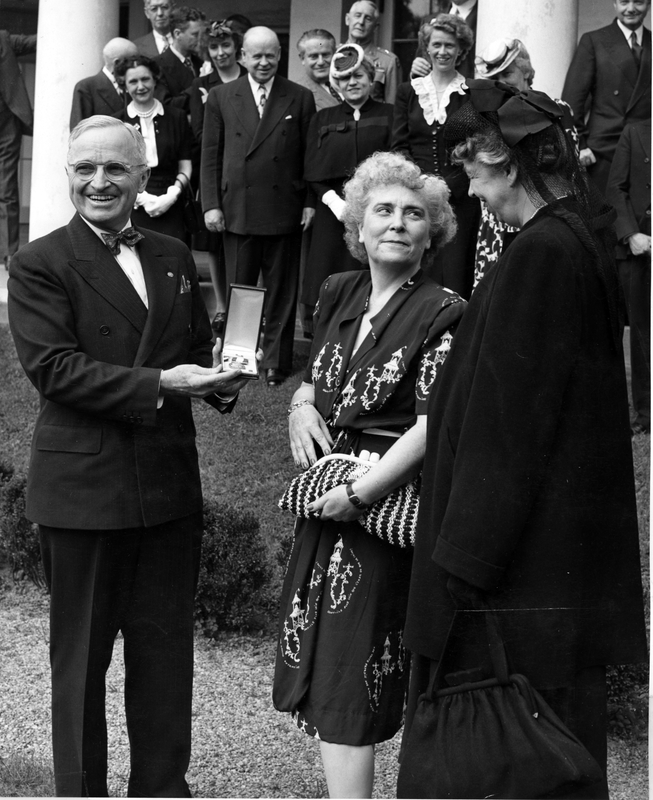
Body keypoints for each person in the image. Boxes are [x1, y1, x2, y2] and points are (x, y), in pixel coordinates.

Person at [401, 81, 648, 799]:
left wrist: (458, 570)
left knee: (498, 761)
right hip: (552, 567)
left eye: (474, 174)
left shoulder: (540, 254)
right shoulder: (579, 240)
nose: (473, 193)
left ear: (503, 161)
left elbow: (510, 433)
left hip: (505, 579)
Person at [7, 115, 253, 798]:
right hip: (85, 490)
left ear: (142, 178)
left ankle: (161, 789)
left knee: (164, 657)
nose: (99, 181)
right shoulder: (38, 262)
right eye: (84, 168)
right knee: (81, 666)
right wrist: (162, 384)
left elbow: (193, 350)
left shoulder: (174, 254)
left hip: (168, 488)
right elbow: (56, 371)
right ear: (67, 175)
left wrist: (223, 379)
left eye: (115, 168)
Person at [273, 150, 465, 799]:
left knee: (352, 675)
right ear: (358, 222)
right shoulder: (340, 292)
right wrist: (300, 404)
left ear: (432, 231)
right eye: (383, 209)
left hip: (381, 515)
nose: (398, 223)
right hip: (324, 508)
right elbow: (314, 377)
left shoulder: (444, 309)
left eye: (415, 214)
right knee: (327, 668)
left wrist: (360, 494)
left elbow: (433, 423)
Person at [201, 26, 316, 387]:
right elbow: (210, 155)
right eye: (256, 55)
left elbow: (308, 156)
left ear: (280, 56)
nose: (264, 62)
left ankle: (275, 363)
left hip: (284, 205)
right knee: (241, 288)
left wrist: (310, 202)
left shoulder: (299, 96)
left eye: (271, 55)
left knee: (282, 290)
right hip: (237, 207)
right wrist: (211, 205)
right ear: (242, 57)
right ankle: (240, 356)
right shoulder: (221, 96)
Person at [471, 37, 578, 289]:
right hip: (495, 221)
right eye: (494, 77)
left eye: (508, 73)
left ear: (527, 72)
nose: (502, 82)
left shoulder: (556, 110)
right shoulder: (482, 116)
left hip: (541, 216)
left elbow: (569, 171)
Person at [301, 44, 394, 331]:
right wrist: (334, 202)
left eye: (359, 76)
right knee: (330, 274)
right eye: (344, 79)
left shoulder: (390, 114)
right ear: (335, 84)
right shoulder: (323, 119)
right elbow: (312, 170)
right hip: (334, 215)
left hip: (379, 210)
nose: (352, 83)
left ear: (370, 78)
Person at [392, 13, 480, 299]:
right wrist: (421, 186)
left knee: (455, 275)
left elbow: (475, 145)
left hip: (460, 199)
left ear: (461, 50)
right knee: (417, 270)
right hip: (416, 197)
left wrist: (450, 186)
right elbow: (399, 145)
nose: (443, 52)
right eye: (437, 45)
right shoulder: (408, 92)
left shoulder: (470, 93)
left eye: (450, 46)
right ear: (426, 48)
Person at [187, 20, 246, 334]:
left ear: (237, 47)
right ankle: (223, 307)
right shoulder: (203, 84)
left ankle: (248, 306)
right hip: (213, 167)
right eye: (214, 47)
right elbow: (199, 132)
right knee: (215, 244)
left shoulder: (251, 77)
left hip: (247, 168)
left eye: (226, 45)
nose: (221, 52)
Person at [562, 0, 651, 196]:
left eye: (639, 2)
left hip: (645, 150)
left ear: (649, 5)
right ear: (614, 4)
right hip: (602, 151)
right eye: (624, 2)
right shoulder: (594, 40)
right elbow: (572, 100)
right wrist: (581, 146)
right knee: (604, 219)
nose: (631, 8)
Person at [114, 55, 194, 242]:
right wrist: (141, 198)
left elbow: (185, 164)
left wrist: (172, 195)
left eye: (145, 79)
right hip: (133, 202)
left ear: (155, 79)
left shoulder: (177, 117)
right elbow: (116, 169)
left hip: (172, 199)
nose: (140, 86)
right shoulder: (118, 122)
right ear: (124, 85)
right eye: (133, 81)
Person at [608, 120, 651, 434]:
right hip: (640, 250)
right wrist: (631, 233)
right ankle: (647, 413)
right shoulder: (635, 133)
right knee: (642, 331)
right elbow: (616, 189)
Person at [0, 28, 36, 272]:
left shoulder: (4, 38)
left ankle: (9, 253)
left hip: (6, 124)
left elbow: (42, 38)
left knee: (7, 187)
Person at [69, 37, 138, 129]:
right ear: (117, 62)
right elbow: (78, 132)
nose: (137, 65)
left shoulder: (136, 85)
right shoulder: (86, 87)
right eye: (132, 60)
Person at [344, 1, 401, 103]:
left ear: (375, 27)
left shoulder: (388, 62)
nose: (361, 22)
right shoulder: (333, 55)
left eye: (368, 18)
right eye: (357, 16)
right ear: (348, 19)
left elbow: (392, 107)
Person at [411, 0, 478, 81]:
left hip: (471, 89)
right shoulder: (429, 20)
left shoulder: (488, 18)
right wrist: (416, 70)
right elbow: (422, 62)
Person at [156, 5, 205, 111]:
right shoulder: (157, 65)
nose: (200, 39)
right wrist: (200, 83)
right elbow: (165, 106)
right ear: (177, 34)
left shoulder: (201, 64)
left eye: (202, 34)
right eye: (195, 34)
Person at [295, 29, 341, 112]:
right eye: (314, 56)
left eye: (325, 55)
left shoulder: (349, 83)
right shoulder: (297, 93)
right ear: (302, 58)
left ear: (335, 54)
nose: (321, 62)